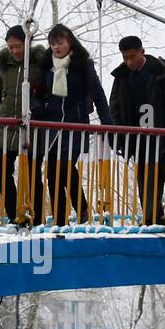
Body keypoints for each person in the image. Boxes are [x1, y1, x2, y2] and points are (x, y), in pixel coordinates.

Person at [36, 23, 113, 226]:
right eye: (53, 43)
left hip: (75, 124)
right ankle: (63, 219)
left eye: (60, 42)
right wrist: (38, 107)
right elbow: (37, 91)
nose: (56, 47)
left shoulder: (82, 64)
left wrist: (108, 124)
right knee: (54, 173)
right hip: (51, 125)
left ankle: (78, 210)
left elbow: (98, 94)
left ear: (69, 42)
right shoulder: (46, 64)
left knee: (65, 168)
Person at [0, 25, 50, 223]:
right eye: (10, 47)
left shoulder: (38, 64)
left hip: (31, 126)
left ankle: (36, 217)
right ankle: (13, 215)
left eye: (18, 46)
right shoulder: (5, 66)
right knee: (1, 169)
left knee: (32, 173)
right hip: (7, 125)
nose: (15, 51)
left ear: (27, 43)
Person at [109, 36, 165, 226]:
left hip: (160, 136)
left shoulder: (161, 73)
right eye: (124, 58)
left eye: (132, 57)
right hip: (136, 138)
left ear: (142, 52)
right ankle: (152, 215)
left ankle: (152, 216)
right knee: (144, 175)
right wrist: (117, 136)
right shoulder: (122, 76)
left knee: (156, 174)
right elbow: (114, 106)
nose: (128, 62)